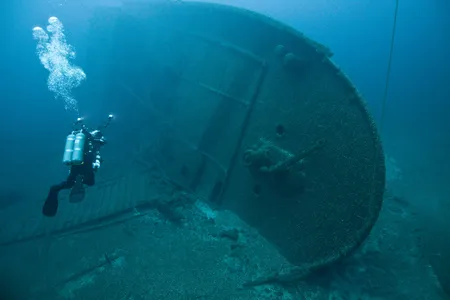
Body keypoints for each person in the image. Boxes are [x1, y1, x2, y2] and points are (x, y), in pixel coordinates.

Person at [42, 115, 113, 217]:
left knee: (83, 169)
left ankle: (51, 207)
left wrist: (50, 206)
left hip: (81, 162)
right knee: (88, 174)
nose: (78, 189)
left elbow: (54, 189)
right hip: (84, 161)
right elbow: (94, 152)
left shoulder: (70, 183)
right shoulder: (89, 181)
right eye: (80, 190)